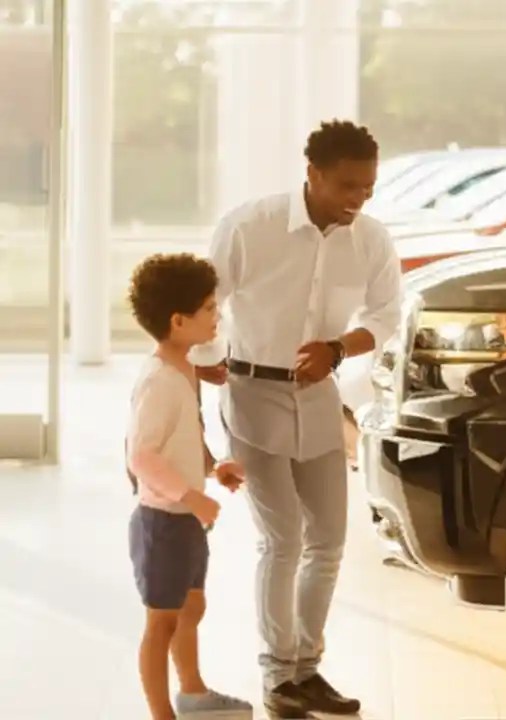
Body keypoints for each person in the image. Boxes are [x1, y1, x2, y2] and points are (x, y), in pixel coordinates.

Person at [192, 120, 402, 718]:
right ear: (312, 174)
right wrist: (208, 360)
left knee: (329, 540)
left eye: (367, 187)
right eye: (346, 186)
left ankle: (306, 670)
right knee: (282, 539)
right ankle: (277, 674)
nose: (358, 199)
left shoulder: (370, 239)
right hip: (252, 392)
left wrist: (339, 348)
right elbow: (211, 298)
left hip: (317, 397)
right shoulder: (248, 226)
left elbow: (388, 313)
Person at [125, 253, 252, 720]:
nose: (216, 315)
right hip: (163, 521)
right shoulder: (159, 381)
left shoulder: (184, 369)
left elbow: (185, 436)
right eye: (208, 309)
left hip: (184, 520)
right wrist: (190, 495)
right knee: (161, 622)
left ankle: (194, 692)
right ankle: (163, 714)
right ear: (179, 321)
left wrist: (214, 466)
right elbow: (142, 455)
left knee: (192, 606)